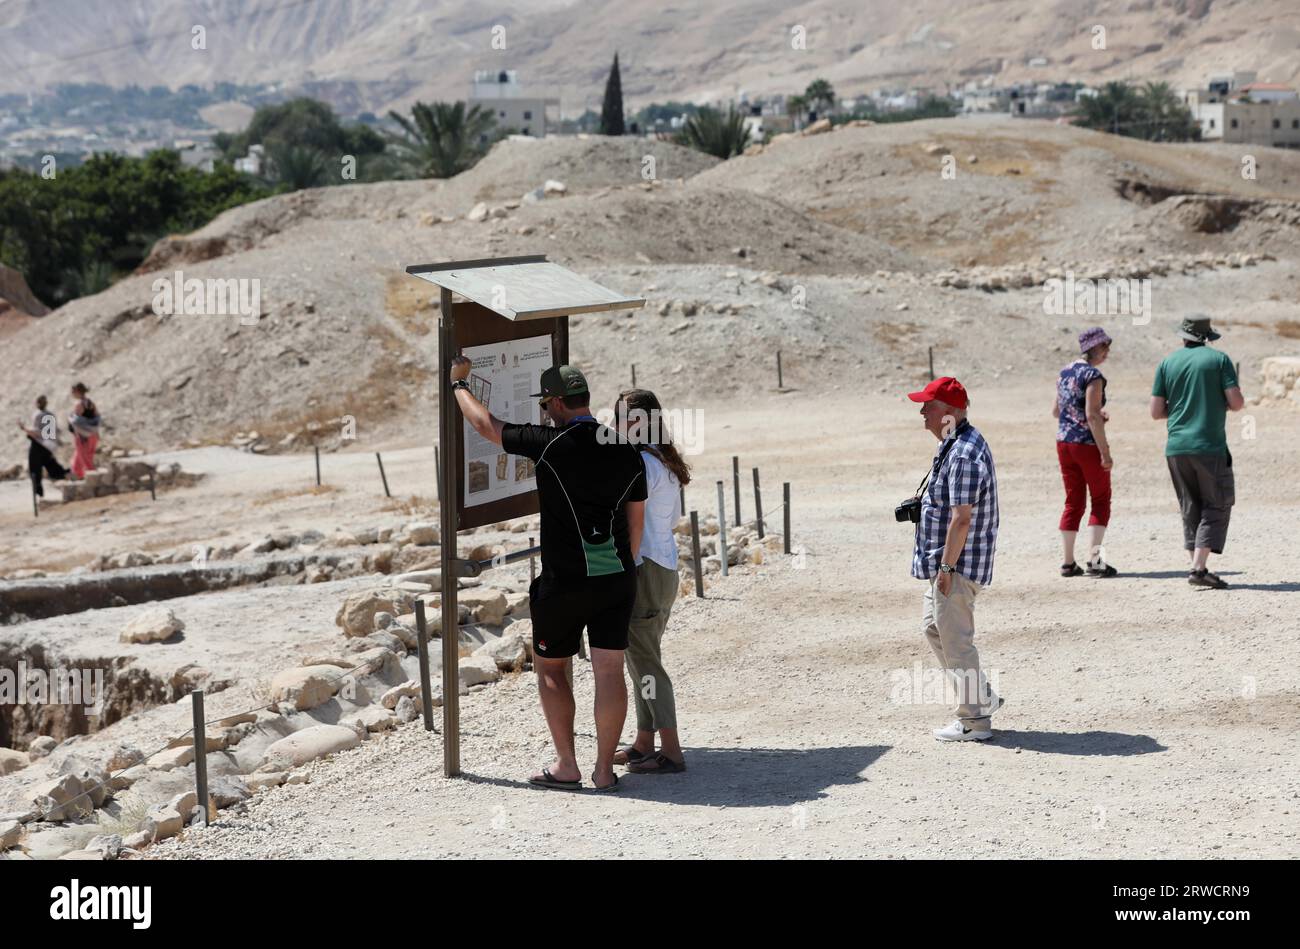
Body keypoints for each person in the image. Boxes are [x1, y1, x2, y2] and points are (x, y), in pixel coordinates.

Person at [450, 358, 646, 791]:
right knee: (610, 671)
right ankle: (603, 771)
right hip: (616, 577)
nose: (545, 412)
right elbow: (636, 526)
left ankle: (566, 766)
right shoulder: (627, 451)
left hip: (564, 582)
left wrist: (458, 383)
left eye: (546, 404)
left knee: (553, 670)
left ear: (556, 402)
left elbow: (486, 425)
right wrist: (620, 571)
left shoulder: (550, 443)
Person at [906, 377, 1003, 741]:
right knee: (935, 628)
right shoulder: (956, 443)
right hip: (950, 562)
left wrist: (947, 567)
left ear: (947, 412)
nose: (922, 413)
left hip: (957, 564)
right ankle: (981, 697)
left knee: (956, 639)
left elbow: (962, 518)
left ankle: (975, 721)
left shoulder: (961, 453)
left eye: (928, 406)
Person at [610, 388, 689, 775]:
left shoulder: (640, 462)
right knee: (641, 660)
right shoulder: (664, 458)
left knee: (646, 664)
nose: (614, 426)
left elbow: (633, 525)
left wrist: (623, 569)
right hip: (664, 565)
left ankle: (671, 749)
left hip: (644, 568)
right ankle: (645, 740)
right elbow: (671, 519)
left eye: (621, 418)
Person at [1150, 315, 1244, 589]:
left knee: (1190, 505)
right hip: (1208, 445)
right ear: (1206, 336)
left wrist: (1182, 410)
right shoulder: (1219, 360)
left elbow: (1156, 412)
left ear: (1183, 336)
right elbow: (1236, 403)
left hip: (1176, 446)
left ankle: (1197, 566)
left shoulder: (1167, 363)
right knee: (1217, 502)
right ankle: (1198, 569)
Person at [1053, 327, 1117, 577]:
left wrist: (1086, 416)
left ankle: (1068, 562)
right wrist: (1106, 452)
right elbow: (1091, 414)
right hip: (1085, 444)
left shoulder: (1064, 372)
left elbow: (1057, 411)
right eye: (1105, 348)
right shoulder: (1093, 375)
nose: (1107, 353)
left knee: (1073, 500)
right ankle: (1095, 560)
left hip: (1063, 442)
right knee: (1100, 500)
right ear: (1096, 349)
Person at [18, 395, 67, 497]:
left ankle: (39, 493)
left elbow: (38, 432)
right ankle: (66, 477)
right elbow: (55, 431)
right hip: (49, 446)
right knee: (52, 466)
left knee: (35, 470)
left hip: (39, 445)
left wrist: (24, 428)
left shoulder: (38, 415)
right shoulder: (51, 415)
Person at [67, 382, 101, 479]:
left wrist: (70, 418)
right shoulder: (91, 403)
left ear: (78, 391)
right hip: (93, 435)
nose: (72, 393)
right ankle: (78, 480)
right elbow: (96, 418)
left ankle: (94, 483)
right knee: (78, 461)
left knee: (86, 462)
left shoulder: (79, 405)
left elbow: (77, 422)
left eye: (73, 391)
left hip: (83, 437)